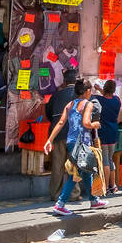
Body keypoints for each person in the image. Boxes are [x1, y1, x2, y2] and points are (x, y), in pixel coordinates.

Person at [44, 78, 108, 216]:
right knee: (75, 174)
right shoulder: (88, 104)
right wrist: (95, 125)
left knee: (86, 172)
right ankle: (60, 204)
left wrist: (49, 140)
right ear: (88, 91)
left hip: (71, 141)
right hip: (82, 143)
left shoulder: (70, 104)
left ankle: (94, 199)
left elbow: (61, 123)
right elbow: (86, 123)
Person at [44, 64, 79, 201]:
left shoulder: (56, 95)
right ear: (76, 82)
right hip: (74, 135)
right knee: (73, 165)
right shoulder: (78, 96)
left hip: (58, 134)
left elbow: (49, 113)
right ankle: (74, 194)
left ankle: (55, 194)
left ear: (64, 82)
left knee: (57, 165)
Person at [98, 79, 122, 196]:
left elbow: (102, 96)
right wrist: (100, 89)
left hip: (103, 132)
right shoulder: (117, 100)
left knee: (105, 160)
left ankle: (105, 187)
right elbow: (107, 95)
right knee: (110, 159)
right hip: (113, 131)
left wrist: (97, 88)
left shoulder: (99, 100)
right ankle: (113, 185)